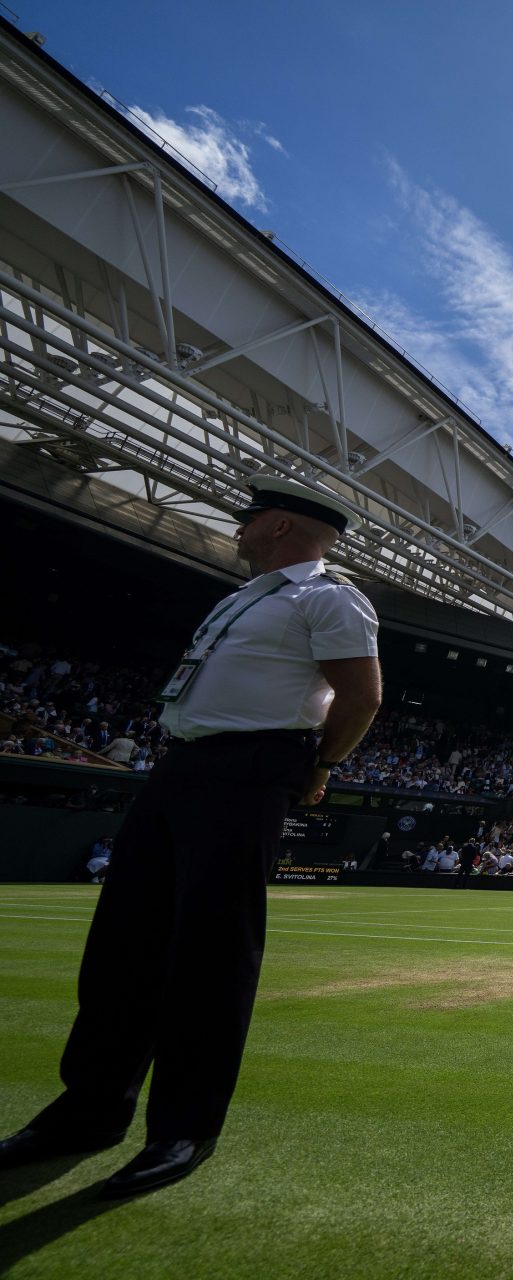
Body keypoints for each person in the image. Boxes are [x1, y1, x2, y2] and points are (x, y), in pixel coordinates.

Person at [1, 473, 378, 1196]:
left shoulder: (330, 597)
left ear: (278, 526)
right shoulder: (246, 597)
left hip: (252, 766)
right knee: (122, 945)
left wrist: (321, 765)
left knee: (211, 954)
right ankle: (88, 1110)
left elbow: (361, 695)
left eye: (249, 517)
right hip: (182, 764)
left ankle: (184, 1128)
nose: (238, 528)